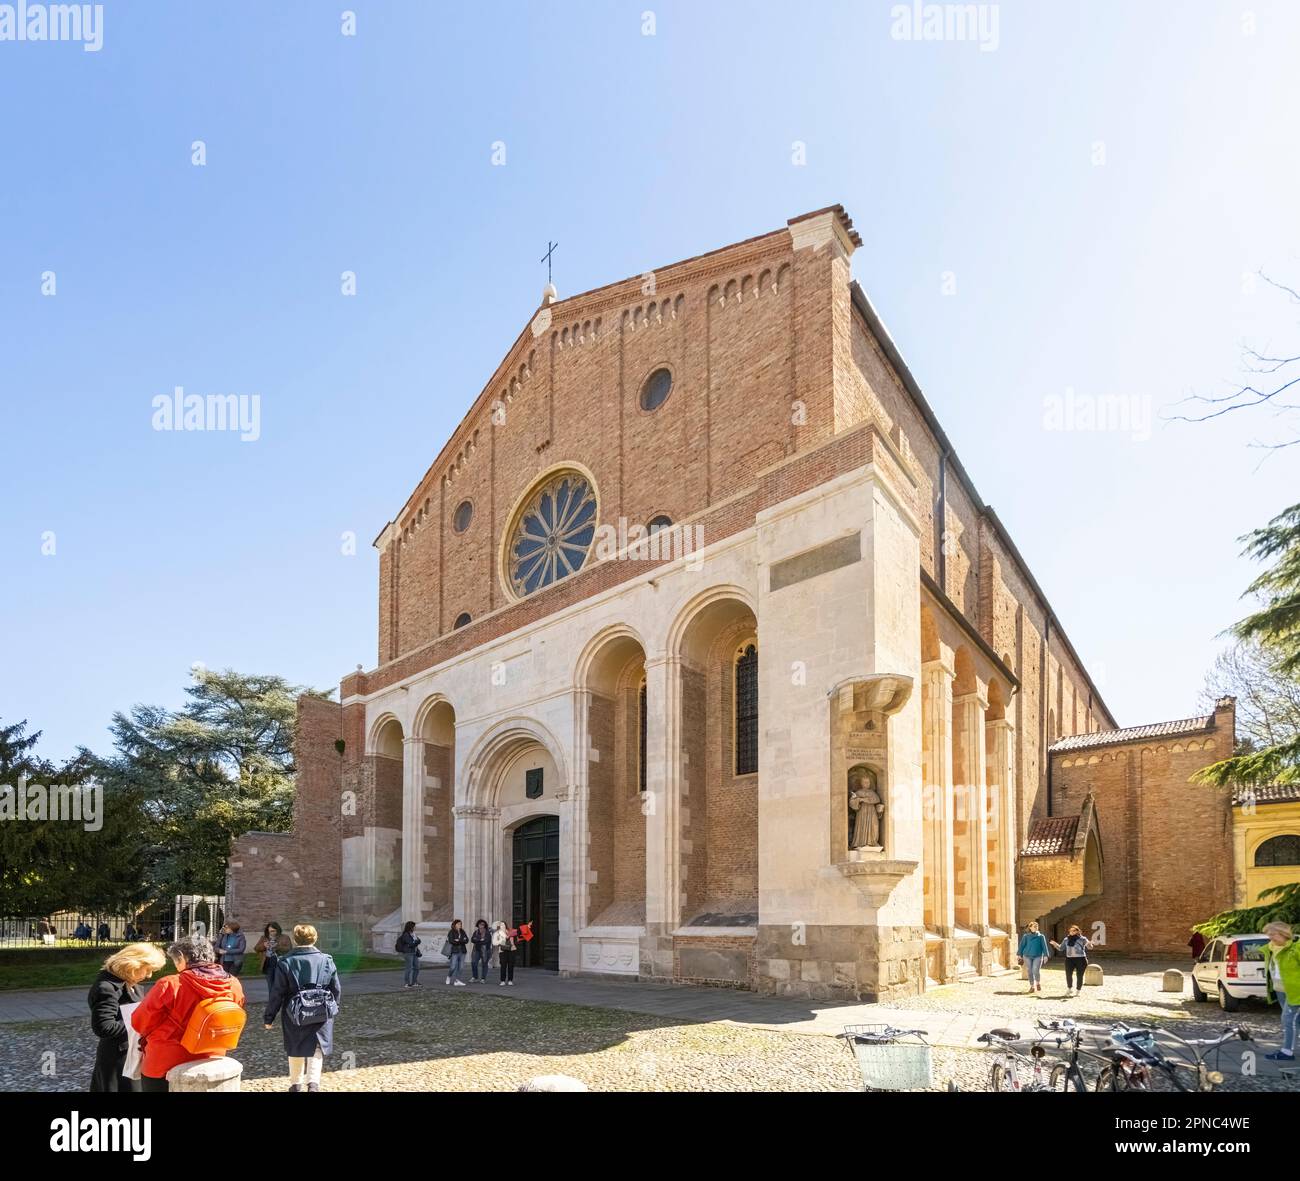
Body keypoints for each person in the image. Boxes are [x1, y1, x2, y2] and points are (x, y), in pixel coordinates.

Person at [131, 934, 246, 1092]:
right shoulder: (233, 983)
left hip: (165, 1062)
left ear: (181, 957)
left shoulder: (171, 984)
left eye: (175, 962)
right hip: (212, 1056)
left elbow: (139, 1022)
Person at [263, 923, 341, 1092]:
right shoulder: (327, 960)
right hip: (321, 1010)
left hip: (294, 1012)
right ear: (315, 938)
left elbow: (277, 993)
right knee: (317, 1047)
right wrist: (334, 1008)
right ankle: (313, 1084)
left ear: (295, 939)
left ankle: (296, 1085)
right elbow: (336, 989)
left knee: (295, 1045)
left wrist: (269, 1017)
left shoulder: (285, 962)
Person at [88, 942, 166, 1092]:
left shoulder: (131, 984)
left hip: (131, 1054)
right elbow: (104, 1027)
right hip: (117, 1057)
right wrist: (140, 1024)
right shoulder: (106, 987)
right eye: (147, 970)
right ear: (133, 964)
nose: (149, 975)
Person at [1261, 921, 1299, 1062]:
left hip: (1295, 991)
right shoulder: (1271, 948)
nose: (1270, 938)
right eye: (1269, 935)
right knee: (1296, 1021)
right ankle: (1289, 1048)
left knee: (1288, 1020)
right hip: (1280, 990)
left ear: (1284, 934)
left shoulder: (1296, 948)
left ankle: (1287, 1052)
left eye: (1273, 934)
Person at [1051, 925, 1092, 995]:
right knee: (1068, 974)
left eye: (1073, 930)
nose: (1071, 932)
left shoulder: (1082, 939)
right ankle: (1069, 988)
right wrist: (1055, 944)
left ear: (1077, 931)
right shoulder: (1066, 939)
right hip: (1069, 959)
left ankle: (1078, 990)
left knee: (1079, 975)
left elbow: (1090, 947)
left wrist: (1089, 944)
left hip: (1081, 959)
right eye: (1070, 931)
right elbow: (1061, 948)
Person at [1016, 921, 1051, 994]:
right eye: (1034, 926)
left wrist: (1045, 955)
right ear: (1030, 927)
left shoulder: (1041, 936)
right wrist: (1019, 954)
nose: (1036, 927)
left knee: (1035, 970)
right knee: (1029, 971)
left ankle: (1037, 983)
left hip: (1038, 956)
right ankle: (1032, 986)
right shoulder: (1026, 936)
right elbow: (1022, 946)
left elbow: (1044, 946)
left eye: (1037, 926)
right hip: (1027, 956)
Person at [396, 921, 423, 988]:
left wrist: (417, 942)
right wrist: (417, 942)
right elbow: (411, 944)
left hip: (414, 952)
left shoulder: (413, 934)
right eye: (414, 926)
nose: (415, 927)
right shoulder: (406, 935)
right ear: (410, 927)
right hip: (408, 953)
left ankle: (414, 982)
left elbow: (418, 941)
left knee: (417, 967)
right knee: (409, 968)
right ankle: (407, 983)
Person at [445, 919, 469, 986]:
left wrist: (458, 940)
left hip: (463, 951)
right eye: (458, 924)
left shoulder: (462, 931)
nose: (460, 925)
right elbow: (451, 941)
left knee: (461, 967)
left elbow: (467, 940)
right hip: (455, 951)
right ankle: (449, 976)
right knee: (453, 967)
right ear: (454, 925)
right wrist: (461, 940)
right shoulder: (451, 932)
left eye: (460, 924)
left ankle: (457, 980)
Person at [493, 921, 517, 986]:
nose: (502, 926)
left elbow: (515, 940)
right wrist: (503, 940)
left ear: (506, 925)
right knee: (503, 966)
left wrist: (512, 940)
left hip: (511, 950)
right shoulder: (497, 933)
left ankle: (510, 980)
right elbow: (495, 943)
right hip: (502, 951)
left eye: (503, 925)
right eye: (501, 925)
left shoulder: (510, 931)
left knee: (510, 966)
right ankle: (502, 980)